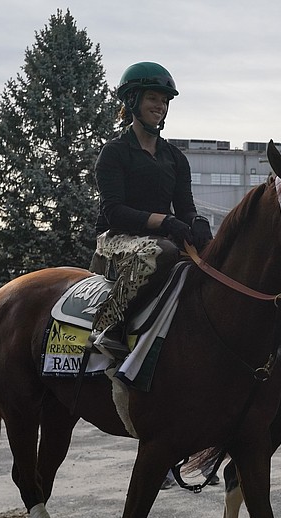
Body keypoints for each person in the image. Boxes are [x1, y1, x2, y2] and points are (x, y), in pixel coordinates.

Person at [89, 61, 212, 360]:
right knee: (160, 252)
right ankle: (107, 326)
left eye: (165, 101)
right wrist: (165, 221)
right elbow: (114, 211)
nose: (160, 106)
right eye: (153, 98)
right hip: (117, 240)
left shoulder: (175, 158)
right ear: (133, 101)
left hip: (163, 239)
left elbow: (185, 207)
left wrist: (196, 223)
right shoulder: (114, 152)